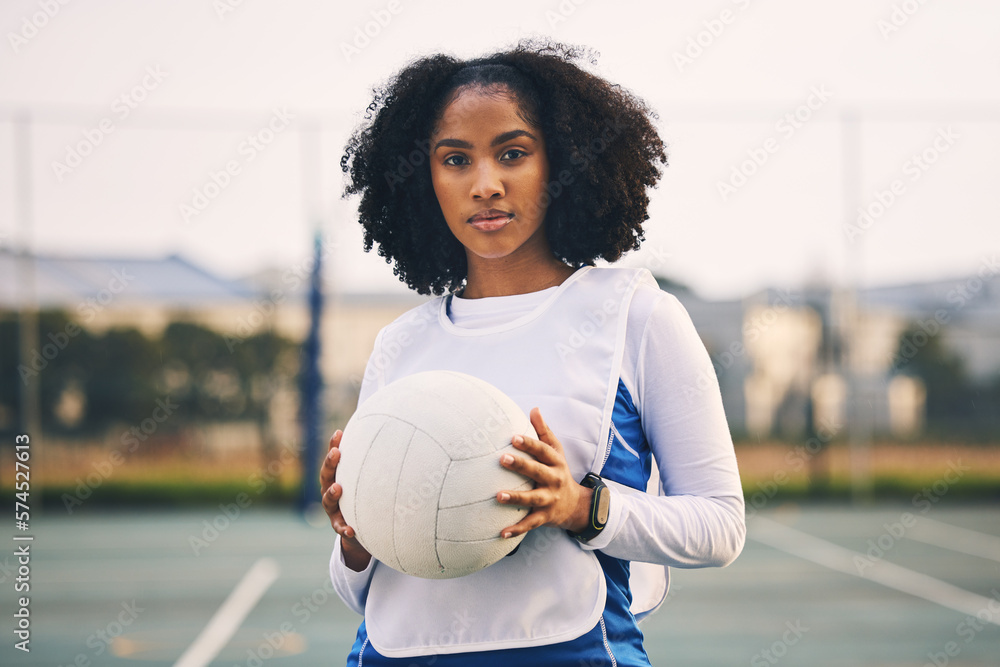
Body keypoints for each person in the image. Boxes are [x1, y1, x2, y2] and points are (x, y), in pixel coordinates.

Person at [321, 40, 746, 666]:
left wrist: (580, 506)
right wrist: (355, 536)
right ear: (424, 177)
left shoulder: (635, 314)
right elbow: (357, 589)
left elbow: (720, 528)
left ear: (563, 164)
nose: (485, 184)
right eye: (456, 160)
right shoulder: (400, 344)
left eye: (512, 154)